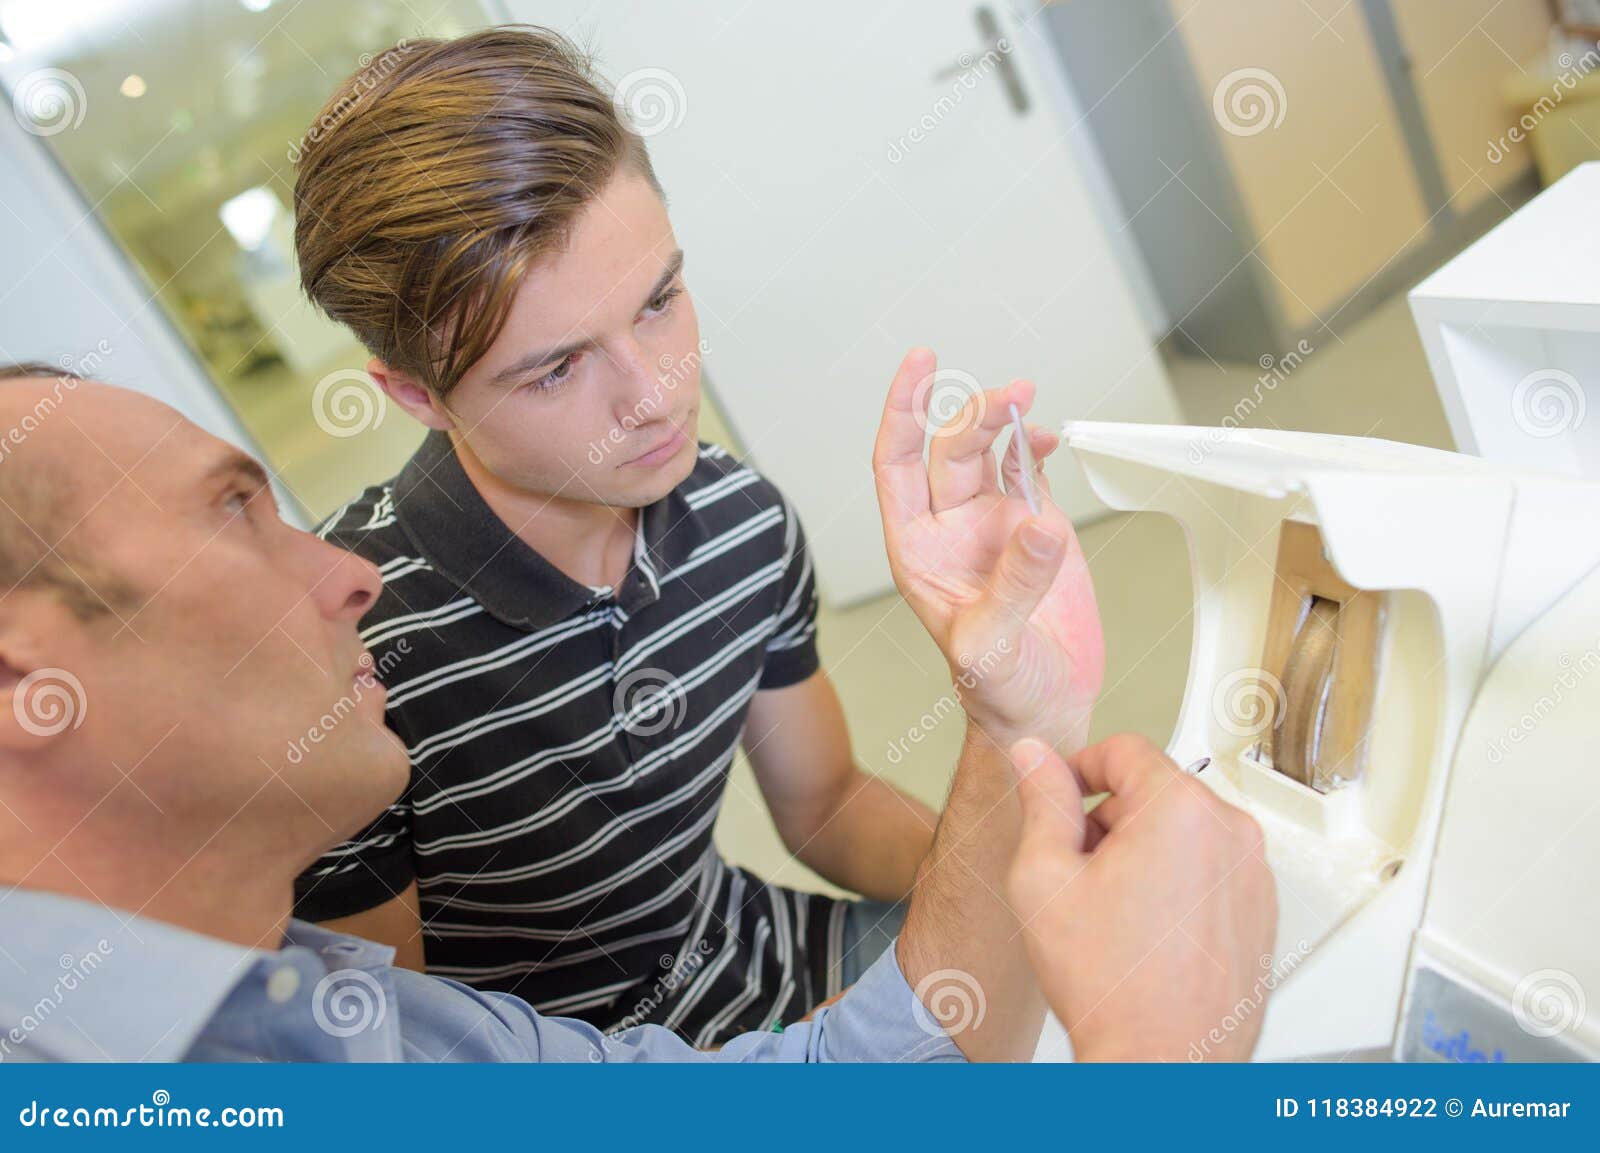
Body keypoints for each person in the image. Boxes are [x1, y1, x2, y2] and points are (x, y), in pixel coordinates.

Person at [0, 360, 1275, 1061]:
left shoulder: (348, 1011)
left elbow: (824, 844)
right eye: (232, 512)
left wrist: (1018, 727)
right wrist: (1166, 1058)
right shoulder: (379, 715)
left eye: (661, 299)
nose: (348, 575)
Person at [287, 25, 951, 1044]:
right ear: (415, 395)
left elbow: (827, 802)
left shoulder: (741, 521)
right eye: (556, 369)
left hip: (779, 969)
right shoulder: (340, 658)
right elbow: (408, 1058)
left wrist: (1021, 876)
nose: (655, 397)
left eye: (658, 302)